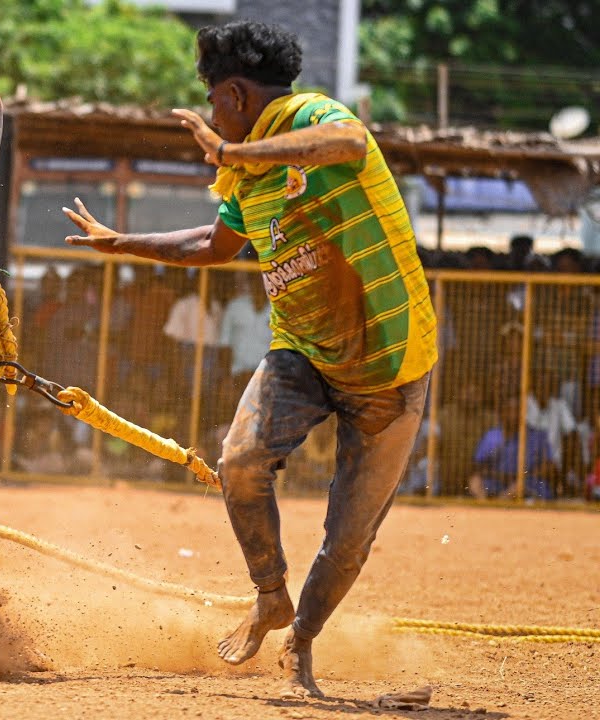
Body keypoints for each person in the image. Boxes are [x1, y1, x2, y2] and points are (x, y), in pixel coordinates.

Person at [61, 20, 436, 699]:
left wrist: (238, 150)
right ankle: (271, 596)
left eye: (212, 103)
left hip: (393, 363)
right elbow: (215, 243)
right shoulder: (245, 176)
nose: (210, 118)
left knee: (347, 541)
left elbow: (349, 142)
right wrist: (121, 242)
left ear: (234, 94)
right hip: (301, 351)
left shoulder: (313, 115)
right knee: (239, 460)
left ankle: (302, 645)